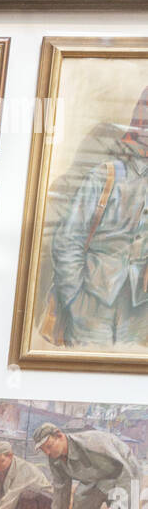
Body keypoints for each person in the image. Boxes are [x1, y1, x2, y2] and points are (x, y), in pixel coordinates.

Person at [48, 87, 148, 349]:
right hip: (92, 307)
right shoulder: (104, 176)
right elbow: (67, 241)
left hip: (139, 313)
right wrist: (75, 301)